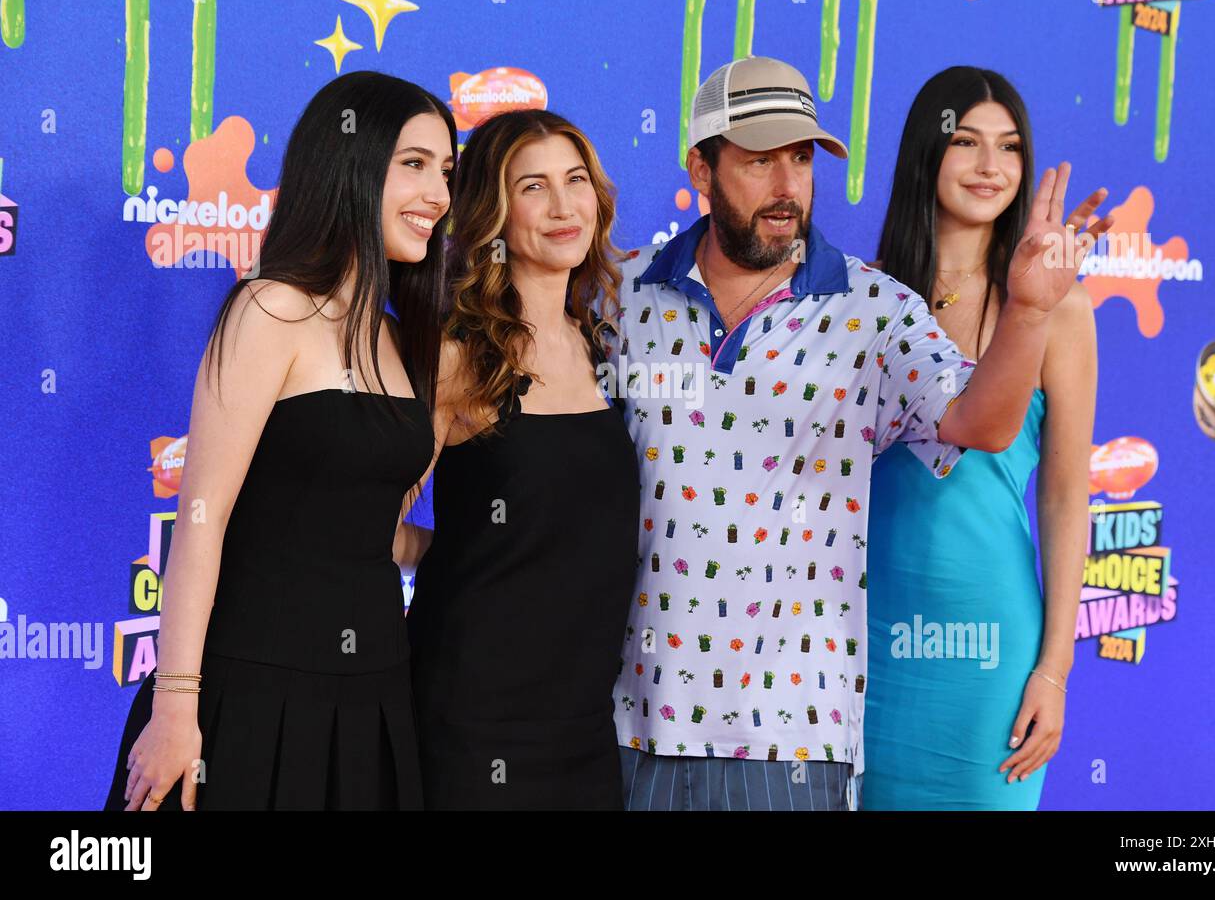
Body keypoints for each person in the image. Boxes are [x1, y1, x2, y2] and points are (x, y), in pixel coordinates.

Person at [607, 55, 1108, 810]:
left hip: (811, 721)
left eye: (802, 159)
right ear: (700, 171)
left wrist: (1032, 309)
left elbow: (988, 431)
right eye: (759, 161)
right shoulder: (620, 298)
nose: (786, 186)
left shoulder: (873, 310)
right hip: (639, 718)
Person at [104, 71, 456, 810]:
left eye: (445, 172)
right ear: (348, 166)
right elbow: (202, 520)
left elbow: (367, 531)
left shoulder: (408, 342)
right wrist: (176, 710)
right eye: (414, 164)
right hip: (252, 693)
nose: (438, 196)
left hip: (371, 703)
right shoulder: (271, 310)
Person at [860, 67, 1101, 809]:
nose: (992, 166)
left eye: (1010, 147)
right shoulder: (858, 297)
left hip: (991, 653)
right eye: (966, 141)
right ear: (924, 156)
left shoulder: (1061, 313)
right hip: (857, 649)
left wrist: (1053, 668)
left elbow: (1065, 495)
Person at [394, 110, 638, 809]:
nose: (564, 207)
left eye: (576, 180)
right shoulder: (459, 356)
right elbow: (363, 522)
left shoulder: (601, 342)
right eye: (534, 187)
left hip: (585, 729)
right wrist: (456, 554)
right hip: (471, 724)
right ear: (494, 213)